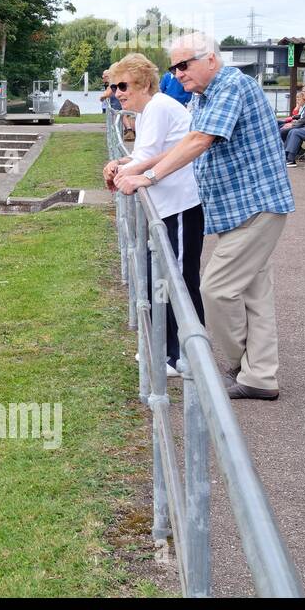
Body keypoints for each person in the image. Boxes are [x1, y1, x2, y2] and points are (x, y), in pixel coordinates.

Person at [116, 33, 294, 400]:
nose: (178, 73)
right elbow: (184, 144)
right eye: (174, 67)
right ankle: (259, 377)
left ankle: (234, 364)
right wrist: (132, 166)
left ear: (210, 59)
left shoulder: (231, 85)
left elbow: (200, 141)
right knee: (254, 295)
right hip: (236, 211)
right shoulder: (203, 96)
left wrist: (145, 177)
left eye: (185, 64)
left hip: (257, 205)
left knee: (216, 289)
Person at [102, 54, 204, 377]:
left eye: (123, 85)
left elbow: (145, 157)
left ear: (144, 84)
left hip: (180, 205)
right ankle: (168, 350)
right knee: (162, 277)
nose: (117, 92)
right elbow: (144, 155)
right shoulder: (149, 111)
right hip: (168, 207)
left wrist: (123, 169)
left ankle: (189, 357)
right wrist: (120, 165)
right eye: (114, 86)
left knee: (181, 279)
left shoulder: (158, 107)